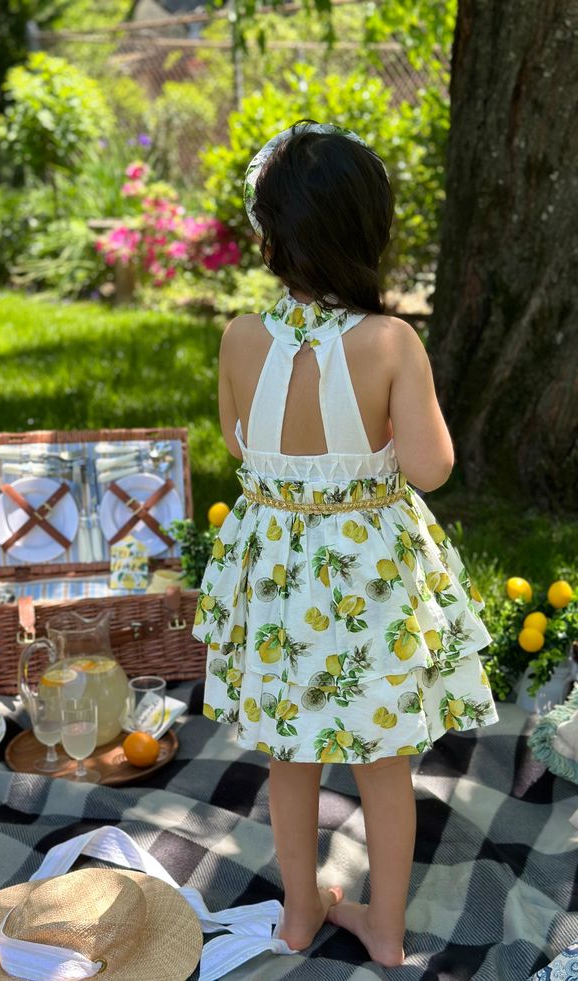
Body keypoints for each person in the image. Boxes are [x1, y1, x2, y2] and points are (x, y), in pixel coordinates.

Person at [191, 120, 499, 968]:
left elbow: (237, 440)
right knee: (383, 763)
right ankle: (387, 929)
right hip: (365, 585)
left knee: (291, 755)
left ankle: (298, 913)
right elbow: (431, 468)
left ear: (268, 234)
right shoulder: (389, 342)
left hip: (279, 576)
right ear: (372, 231)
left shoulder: (239, 338)